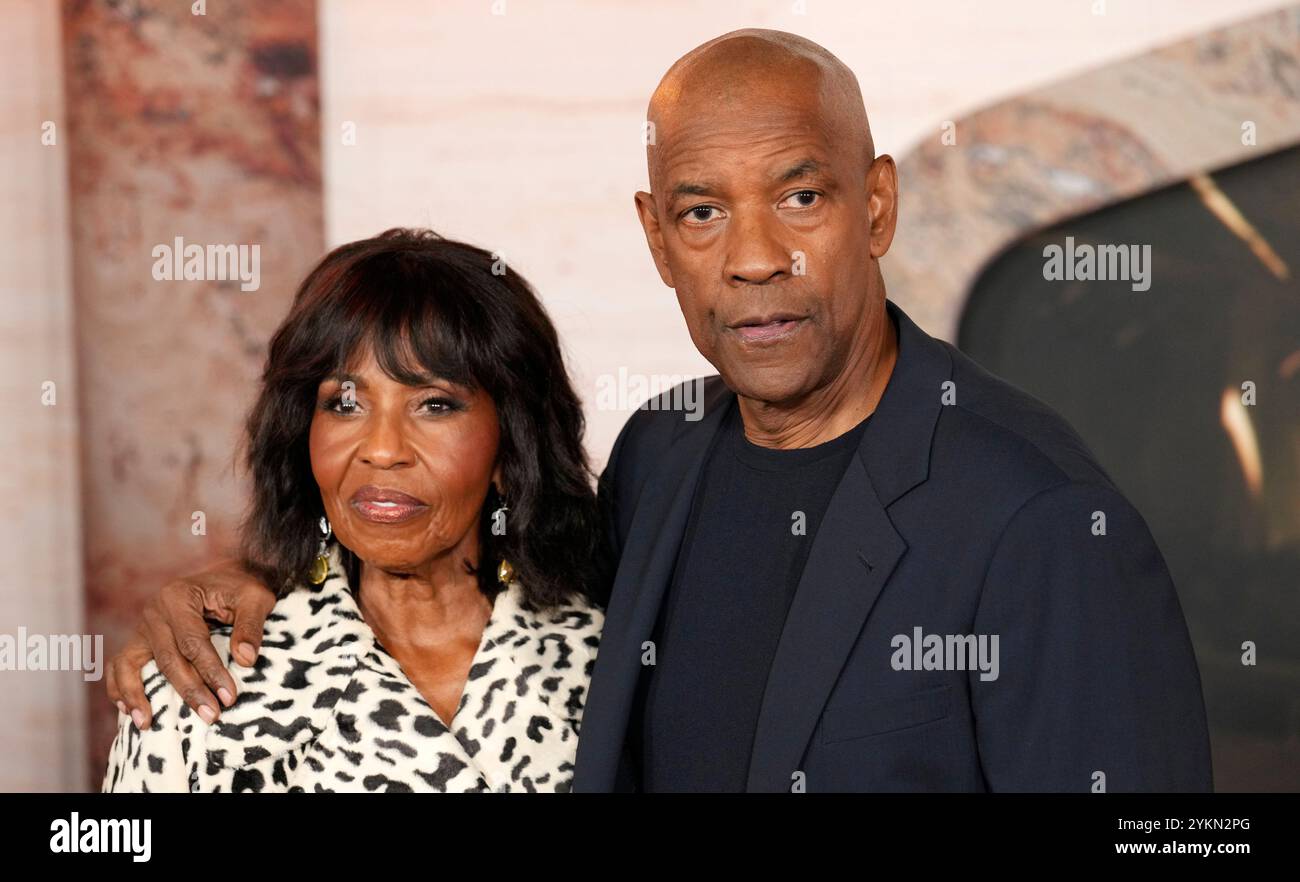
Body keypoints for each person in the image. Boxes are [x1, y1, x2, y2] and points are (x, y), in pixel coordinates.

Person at [107, 30, 1212, 792]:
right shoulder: (661, 454)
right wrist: (250, 577)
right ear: (654, 236)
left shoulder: (1037, 517)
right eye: (700, 212)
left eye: (800, 196)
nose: (753, 260)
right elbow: (455, 544)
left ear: (874, 205)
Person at [102, 229, 604, 792]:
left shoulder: (609, 661)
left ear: (510, 444)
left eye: (434, 404)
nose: (383, 449)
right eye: (344, 403)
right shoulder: (195, 682)